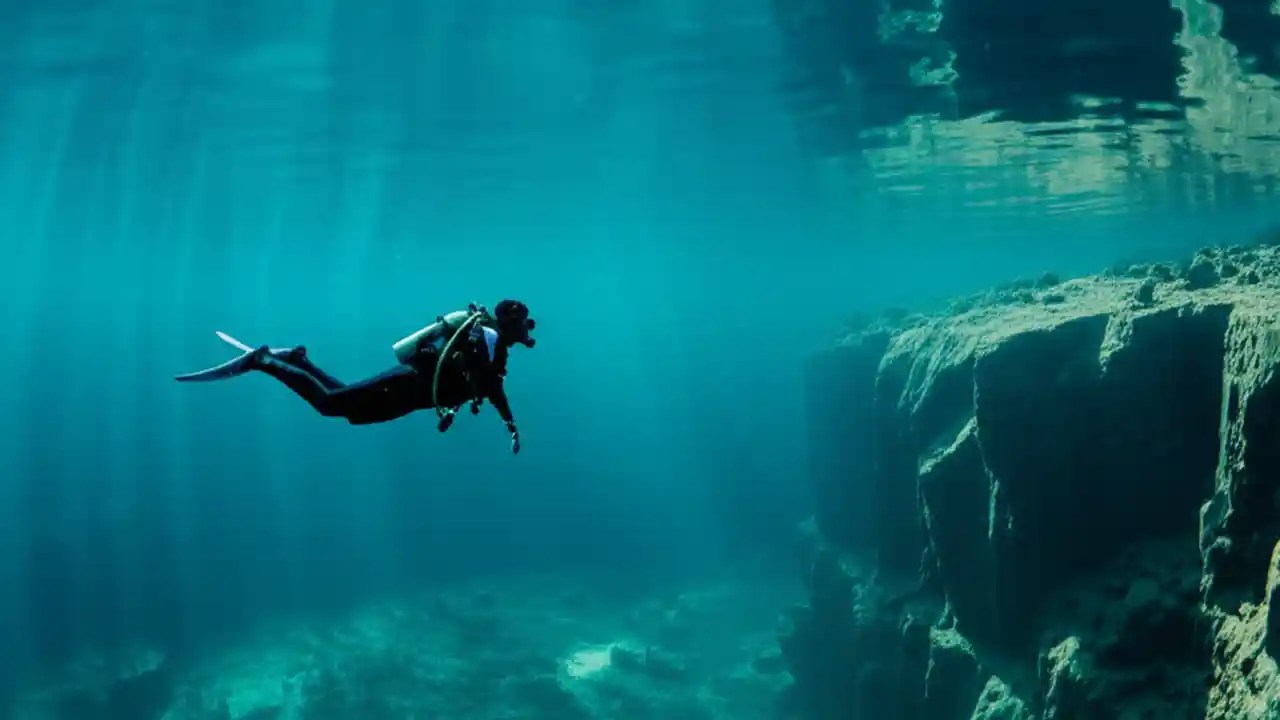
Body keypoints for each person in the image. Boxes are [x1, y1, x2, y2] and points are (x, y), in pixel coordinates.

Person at [175, 300, 536, 453]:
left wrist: (512, 425)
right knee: (330, 404)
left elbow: (493, 388)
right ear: (508, 322)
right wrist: (494, 398)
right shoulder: (483, 338)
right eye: (522, 323)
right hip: (407, 384)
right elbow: (484, 380)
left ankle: (299, 360)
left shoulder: (496, 347)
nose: (527, 329)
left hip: (414, 399)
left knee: (347, 409)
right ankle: (264, 361)